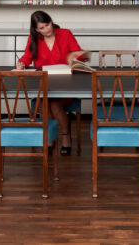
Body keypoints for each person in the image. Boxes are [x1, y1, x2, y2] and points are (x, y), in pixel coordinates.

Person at [15, 10, 88, 155]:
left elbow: (81, 55)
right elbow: (27, 57)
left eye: (48, 25)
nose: (47, 30)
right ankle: (50, 138)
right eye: (41, 28)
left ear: (51, 21)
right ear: (36, 29)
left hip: (66, 83)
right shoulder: (34, 38)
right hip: (44, 84)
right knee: (43, 103)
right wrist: (21, 63)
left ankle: (66, 137)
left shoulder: (65, 33)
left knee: (54, 104)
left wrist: (78, 55)